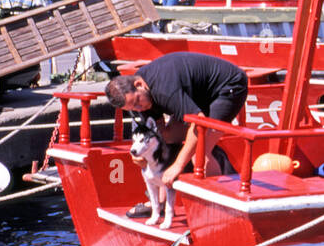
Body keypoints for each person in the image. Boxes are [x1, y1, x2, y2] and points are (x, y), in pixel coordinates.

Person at [104, 52, 247, 184]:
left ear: (139, 85)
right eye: (133, 109)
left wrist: (177, 166)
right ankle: (159, 203)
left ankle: (216, 203)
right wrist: (140, 153)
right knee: (168, 137)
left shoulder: (164, 91)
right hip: (199, 95)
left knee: (200, 153)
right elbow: (157, 136)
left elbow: (199, 124)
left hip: (228, 86)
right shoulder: (142, 94)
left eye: (137, 102)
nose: (139, 109)